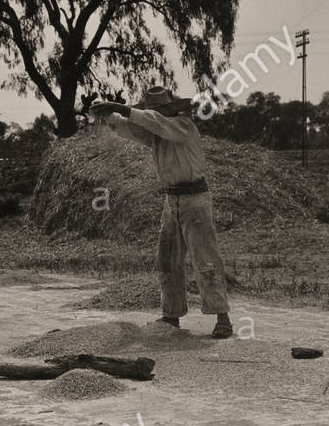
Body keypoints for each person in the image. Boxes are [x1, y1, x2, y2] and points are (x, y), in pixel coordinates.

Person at [90, 87, 234, 339]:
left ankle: (222, 317)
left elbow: (152, 122)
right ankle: (172, 314)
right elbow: (130, 128)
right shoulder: (156, 133)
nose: (152, 116)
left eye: (155, 112)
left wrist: (123, 109)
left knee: (206, 259)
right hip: (172, 199)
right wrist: (108, 114)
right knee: (167, 259)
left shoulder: (182, 126)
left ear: (169, 111)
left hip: (195, 199)